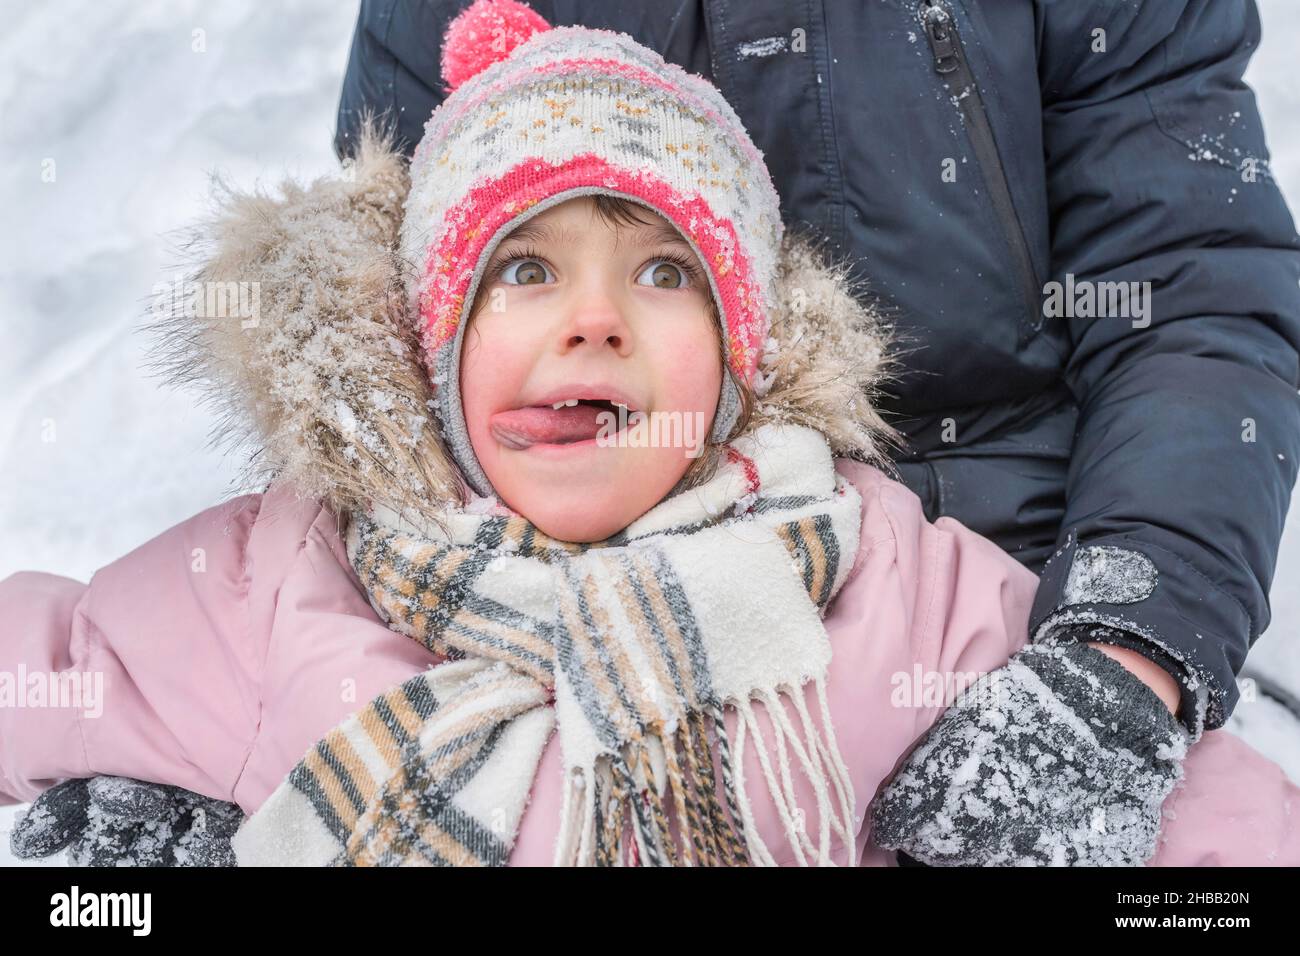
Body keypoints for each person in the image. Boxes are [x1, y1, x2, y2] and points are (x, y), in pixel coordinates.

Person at [4, 0, 1299, 866]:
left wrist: (1113, 688)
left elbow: (1190, 272)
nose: (593, 323)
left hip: (987, 586)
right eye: (527, 277)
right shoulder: (301, 581)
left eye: (662, 277)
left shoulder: (899, 605)